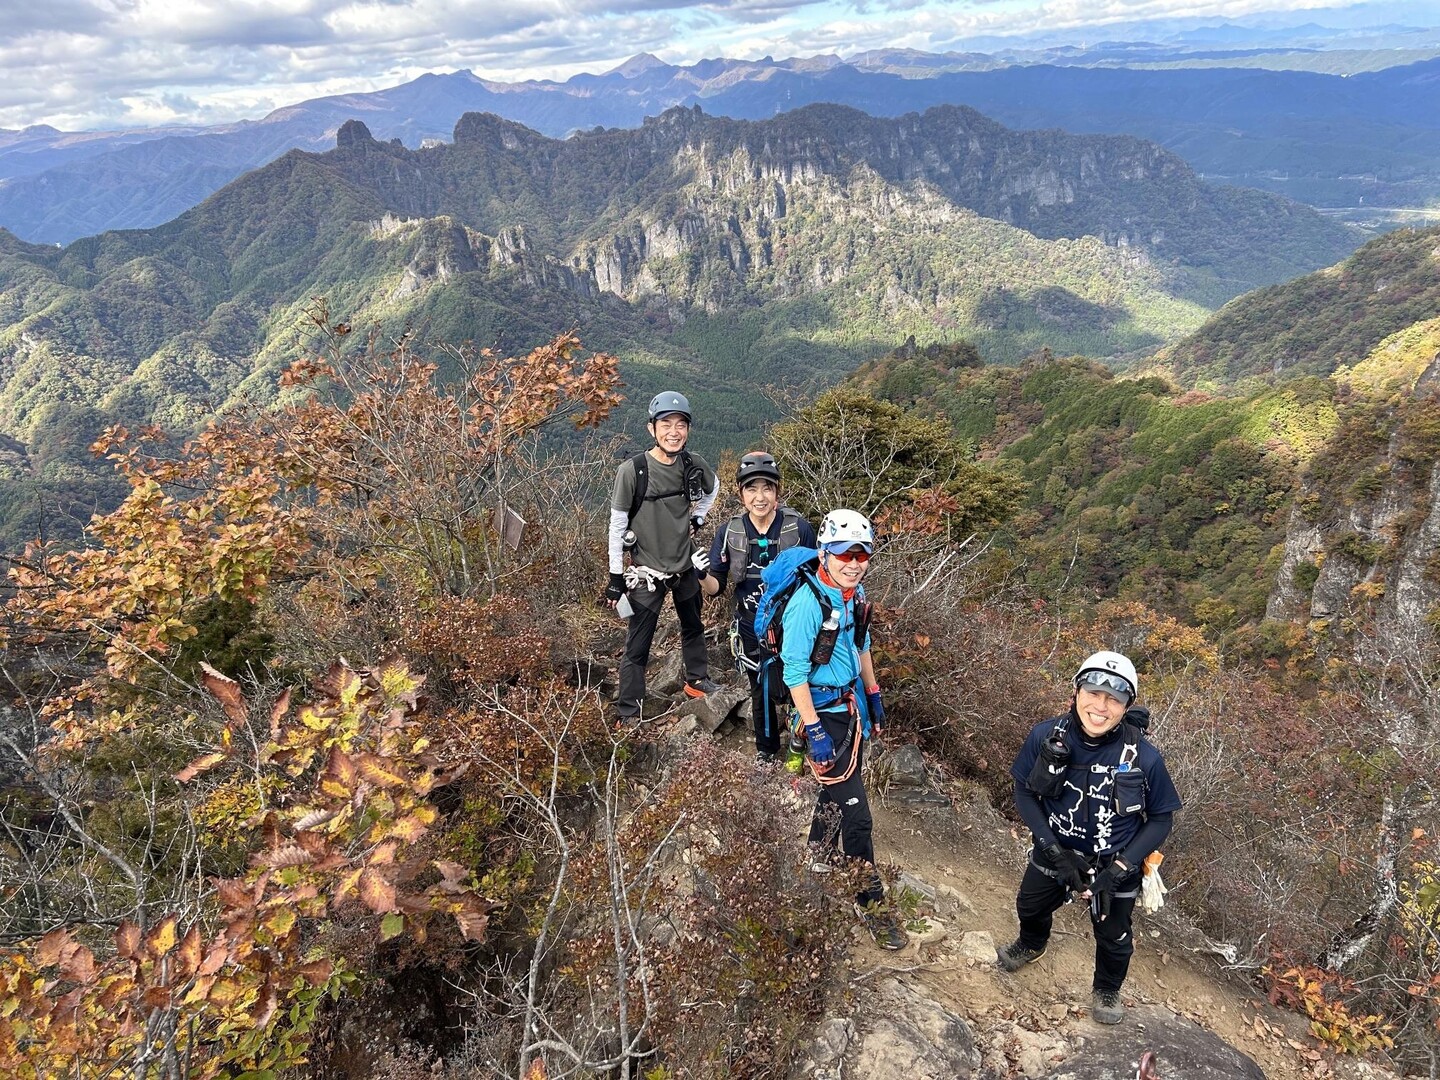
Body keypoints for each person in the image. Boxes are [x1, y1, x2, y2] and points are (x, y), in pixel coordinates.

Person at [997, 651, 1182, 1024]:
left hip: (1114, 861)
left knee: (1114, 935)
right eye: (1093, 693)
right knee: (1030, 906)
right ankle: (1032, 943)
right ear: (1077, 692)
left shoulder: (1144, 757)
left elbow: (1161, 818)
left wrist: (1120, 868)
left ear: (1126, 706)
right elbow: (1024, 791)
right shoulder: (1046, 736)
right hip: (1057, 848)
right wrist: (1053, 850)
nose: (1101, 706)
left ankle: (1108, 988)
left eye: (1114, 699)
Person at [782, 508, 906, 950]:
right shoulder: (806, 605)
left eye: (861, 554)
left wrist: (873, 692)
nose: (853, 563)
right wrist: (814, 730)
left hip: (850, 706)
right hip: (823, 714)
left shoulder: (854, 594)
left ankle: (818, 856)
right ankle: (870, 904)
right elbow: (793, 672)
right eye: (843, 553)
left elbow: (861, 644)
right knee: (859, 818)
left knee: (833, 793)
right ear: (824, 553)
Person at [605, 391, 720, 720]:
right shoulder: (633, 470)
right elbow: (617, 526)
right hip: (647, 571)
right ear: (651, 428)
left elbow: (713, 487)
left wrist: (698, 518)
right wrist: (615, 577)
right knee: (638, 644)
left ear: (688, 429)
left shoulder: (691, 463)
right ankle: (630, 710)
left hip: (684, 564)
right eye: (666, 424)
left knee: (693, 625)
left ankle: (696, 680)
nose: (674, 431)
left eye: (681, 424)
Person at [698, 451, 816, 762]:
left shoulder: (798, 529)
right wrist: (700, 575)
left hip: (794, 625)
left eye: (767, 488)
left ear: (777, 492)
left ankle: (800, 745)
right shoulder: (729, 533)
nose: (760, 497)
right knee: (760, 686)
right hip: (751, 625)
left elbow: (817, 580)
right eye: (751, 489)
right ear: (741, 494)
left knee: (801, 682)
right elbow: (716, 587)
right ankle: (766, 751)